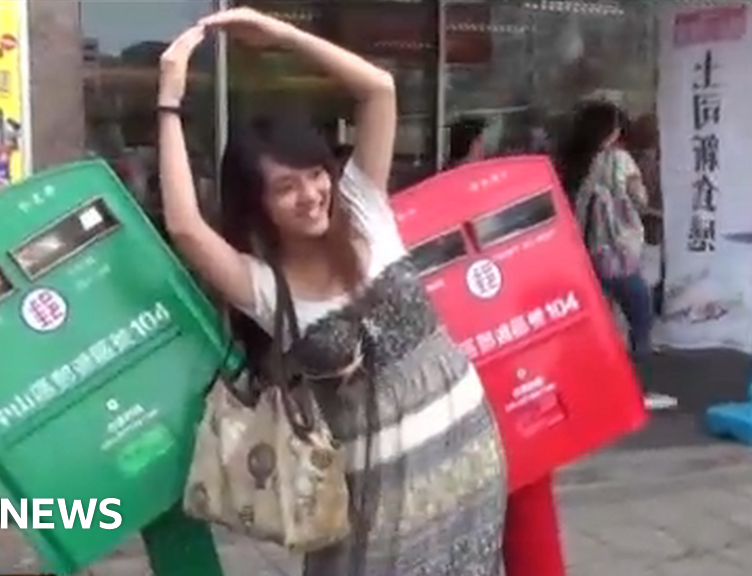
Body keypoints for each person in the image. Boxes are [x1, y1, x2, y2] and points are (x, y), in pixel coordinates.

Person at [156, 8, 507, 576]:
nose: (311, 194)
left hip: (464, 446)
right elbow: (185, 226)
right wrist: (169, 101)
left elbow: (378, 89)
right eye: (285, 187)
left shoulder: (364, 209)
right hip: (376, 489)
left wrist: (283, 35)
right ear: (258, 204)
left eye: (315, 173)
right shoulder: (264, 286)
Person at [555, 100, 676, 410]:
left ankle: (589, 386)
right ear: (612, 130)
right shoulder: (619, 159)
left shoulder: (573, 162)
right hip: (617, 254)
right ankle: (637, 389)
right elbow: (639, 197)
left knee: (598, 324)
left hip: (583, 254)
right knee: (641, 317)